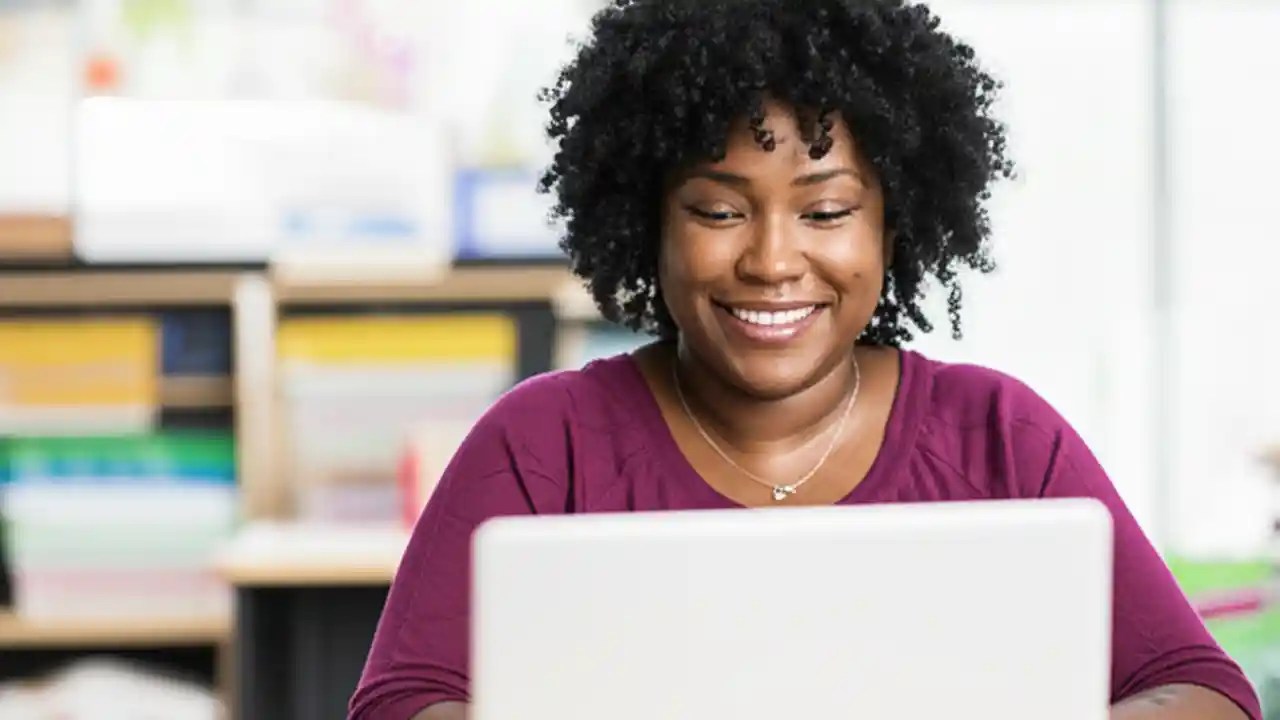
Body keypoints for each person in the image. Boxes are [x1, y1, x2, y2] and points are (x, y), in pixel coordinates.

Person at [349, 1, 1262, 718]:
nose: (773, 260)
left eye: (825, 212)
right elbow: (398, 701)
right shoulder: (543, 446)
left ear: (893, 225)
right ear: (647, 222)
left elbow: (1204, 690)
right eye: (718, 210)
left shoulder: (1001, 438)